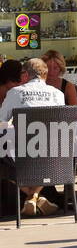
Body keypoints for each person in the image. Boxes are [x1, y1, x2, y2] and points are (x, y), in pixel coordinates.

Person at [0, 58, 67, 215]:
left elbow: (1, 121)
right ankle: (35, 195)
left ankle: (30, 195)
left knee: (3, 161)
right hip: (53, 155)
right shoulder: (58, 94)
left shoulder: (15, 93)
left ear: (25, 75)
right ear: (44, 75)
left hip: (22, 153)